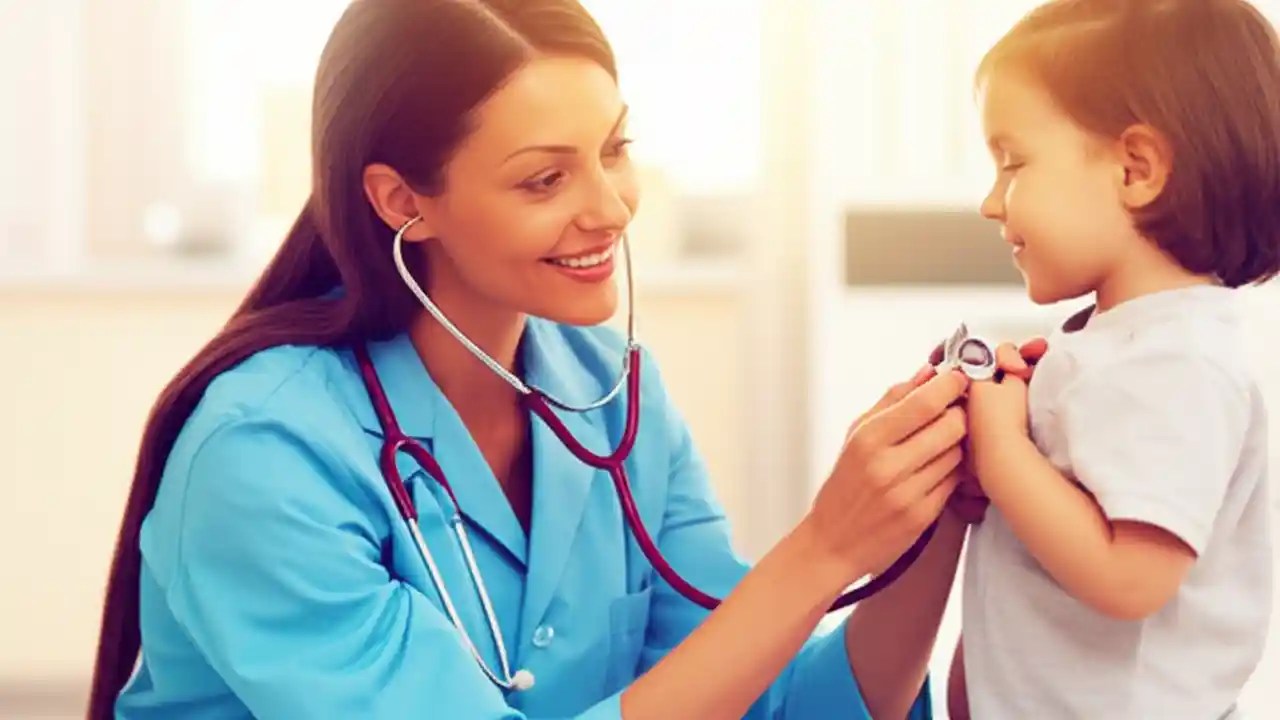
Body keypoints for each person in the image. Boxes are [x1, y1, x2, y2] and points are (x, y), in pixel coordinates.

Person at [85, 1, 1008, 717]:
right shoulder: (264, 456)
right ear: (404, 199)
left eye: (615, 149)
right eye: (544, 178)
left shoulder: (616, 400)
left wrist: (922, 524)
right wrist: (824, 549)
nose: (610, 207)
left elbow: (769, 705)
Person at [947, 1, 1280, 718]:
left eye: (1013, 164)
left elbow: (1131, 579)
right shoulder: (1122, 343)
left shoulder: (1183, 362)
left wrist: (1005, 453)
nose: (991, 203)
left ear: (1136, 169)